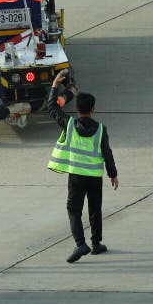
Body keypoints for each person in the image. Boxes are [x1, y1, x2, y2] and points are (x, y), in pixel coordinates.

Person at [47, 70, 118, 264]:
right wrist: (113, 174)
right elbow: (107, 153)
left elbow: (52, 108)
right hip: (95, 176)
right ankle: (96, 245)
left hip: (76, 176)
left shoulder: (69, 124)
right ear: (93, 109)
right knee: (95, 209)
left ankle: (80, 243)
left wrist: (55, 85)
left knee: (74, 210)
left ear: (76, 108)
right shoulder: (101, 129)